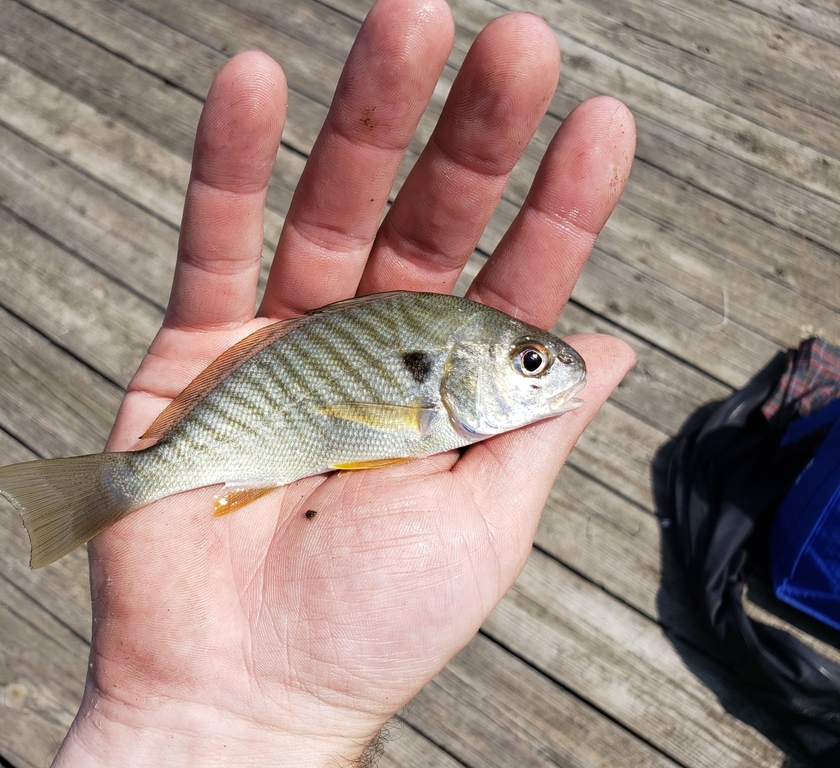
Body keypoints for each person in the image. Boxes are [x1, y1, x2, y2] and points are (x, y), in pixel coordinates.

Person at [50, 0, 637, 765]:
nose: (546, 373)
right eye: (529, 362)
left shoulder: (438, 393)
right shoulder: (430, 399)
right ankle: (122, 485)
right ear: (455, 368)